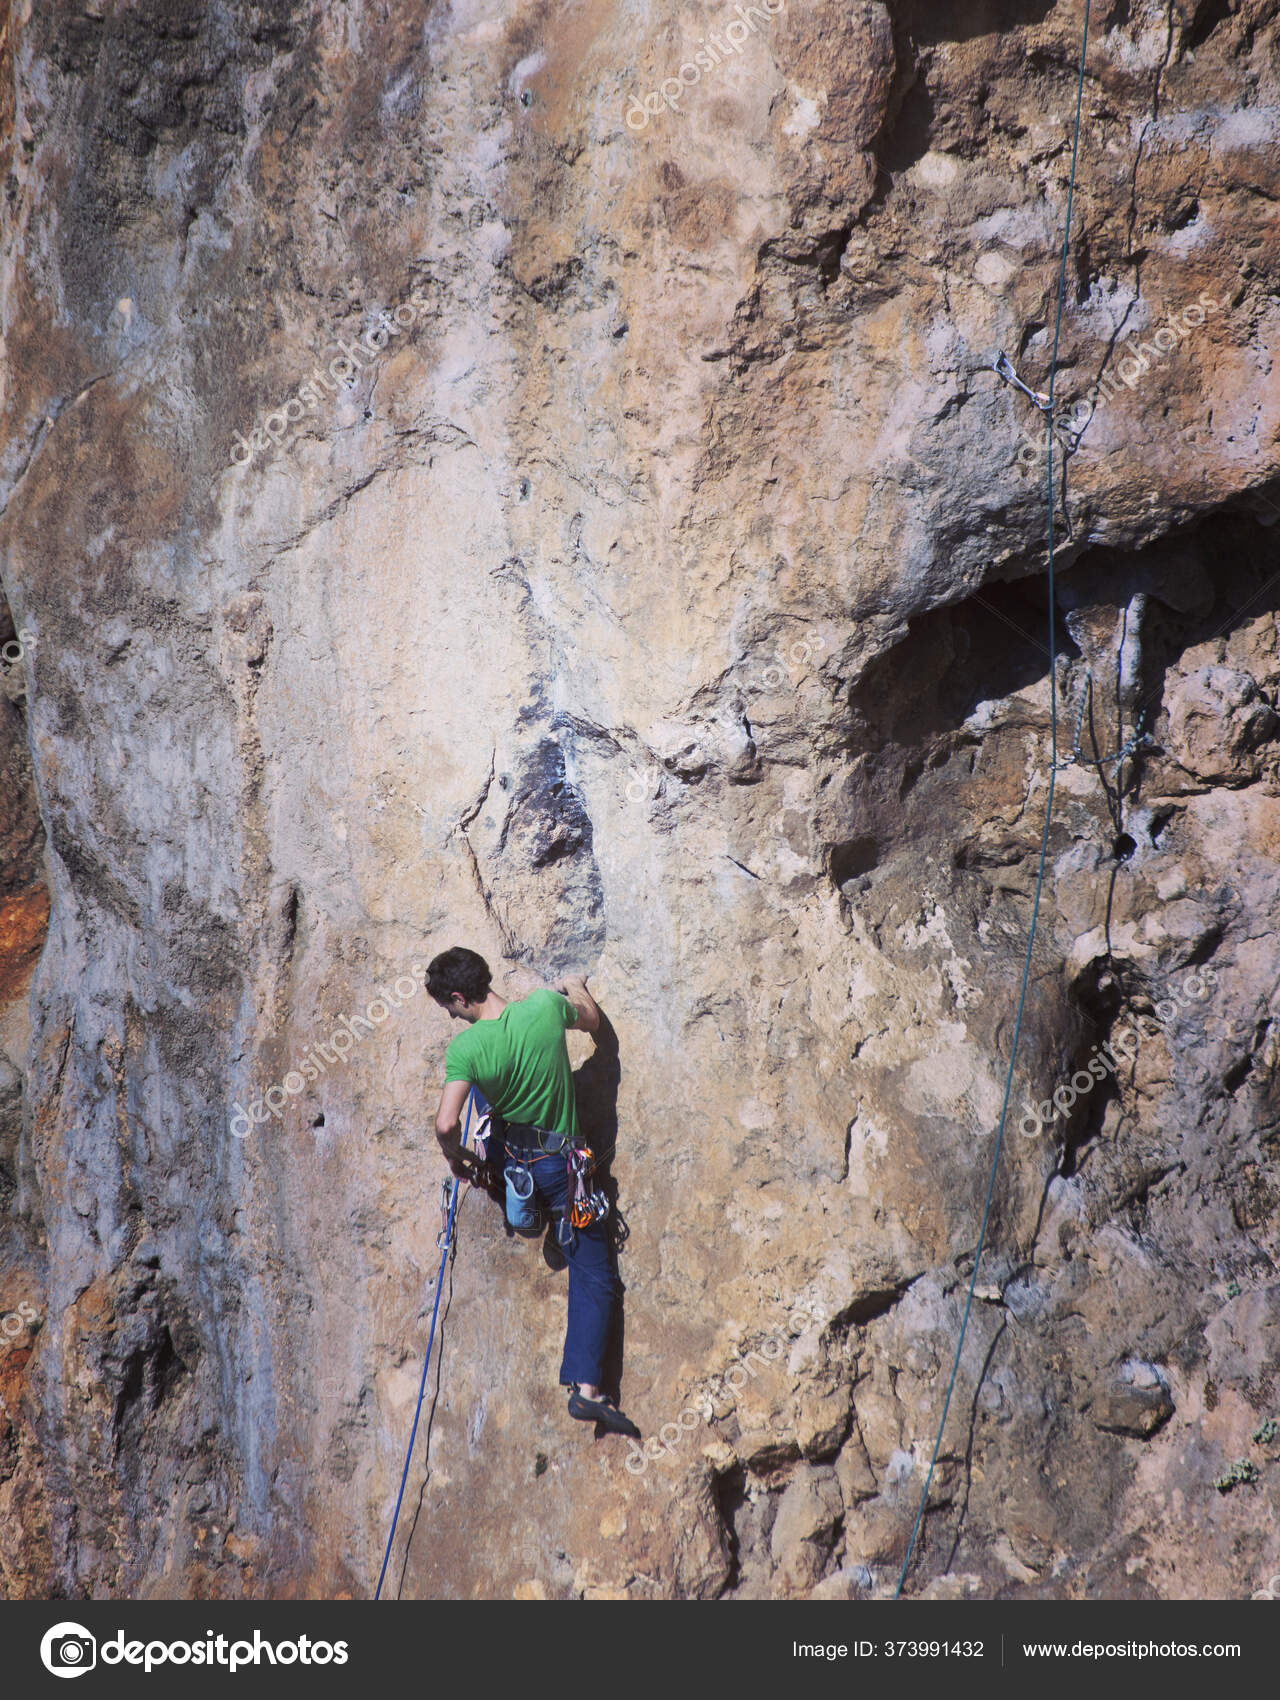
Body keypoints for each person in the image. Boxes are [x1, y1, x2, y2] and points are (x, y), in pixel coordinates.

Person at [427, 946, 639, 1439]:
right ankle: (587, 1391)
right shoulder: (544, 1008)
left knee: (485, 1097)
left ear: (460, 998)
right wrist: (577, 988)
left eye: (449, 1009)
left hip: (512, 1164)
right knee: (595, 1273)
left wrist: (458, 1159)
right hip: (564, 1167)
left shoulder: (466, 1049)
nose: (452, 1017)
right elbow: (591, 1021)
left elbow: (445, 1123)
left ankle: (526, 1215)